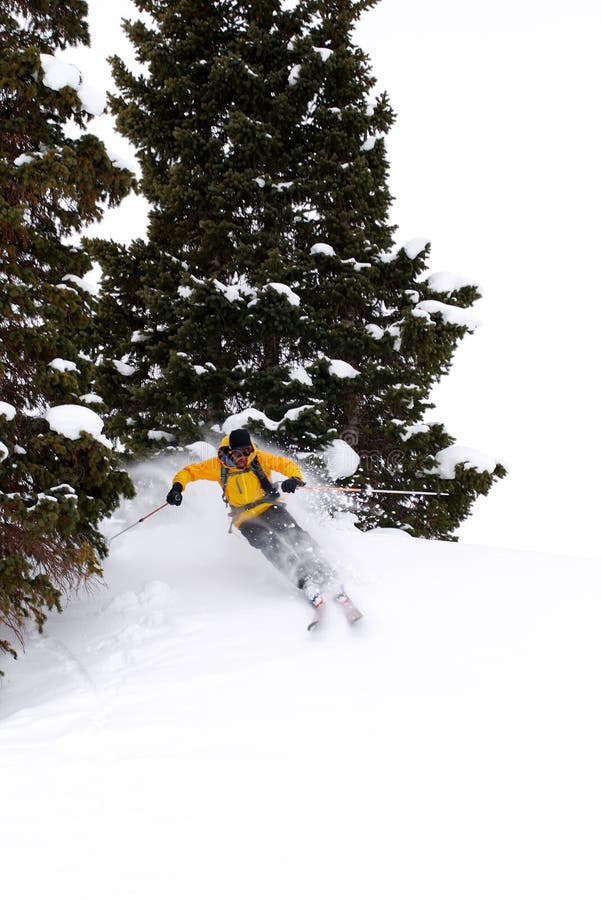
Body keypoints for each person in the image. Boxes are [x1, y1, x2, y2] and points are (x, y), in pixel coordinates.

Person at [166, 428, 339, 609]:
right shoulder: (218, 466)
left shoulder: (259, 458)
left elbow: (285, 464)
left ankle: (322, 568)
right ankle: (304, 580)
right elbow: (190, 472)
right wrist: (177, 488)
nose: (244, 457)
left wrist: (294, 479)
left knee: (293, 533)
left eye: (247, 451)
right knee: (269, 544)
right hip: (244, 518)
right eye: (238, 454)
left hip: (269, 506)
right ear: (229, 452)